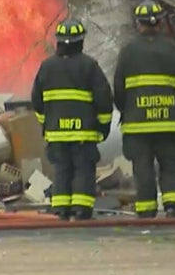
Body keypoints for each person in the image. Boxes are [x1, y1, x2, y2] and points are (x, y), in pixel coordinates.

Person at [113, 0, 175, 218]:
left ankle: (147, 211)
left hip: (138, 127)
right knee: (171, 167)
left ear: (139, 24)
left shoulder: (128, 52)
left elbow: (119, 91)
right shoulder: (174, 51)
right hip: (169, 124)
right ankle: (173, 207)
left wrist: (127, 111)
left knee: (143, 169)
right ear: (159, 23)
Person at [31, 19, 114, 221]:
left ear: (58, 42)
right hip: (83, 133)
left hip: (56, 133)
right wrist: (103, 127)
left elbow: (37, 100)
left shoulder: (47, 66)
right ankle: (81, 209)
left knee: (61, 170)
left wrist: (46, 123)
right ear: (80, 41)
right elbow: (104, 99)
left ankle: (60, 209)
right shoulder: (89, 66)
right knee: (83, 170)